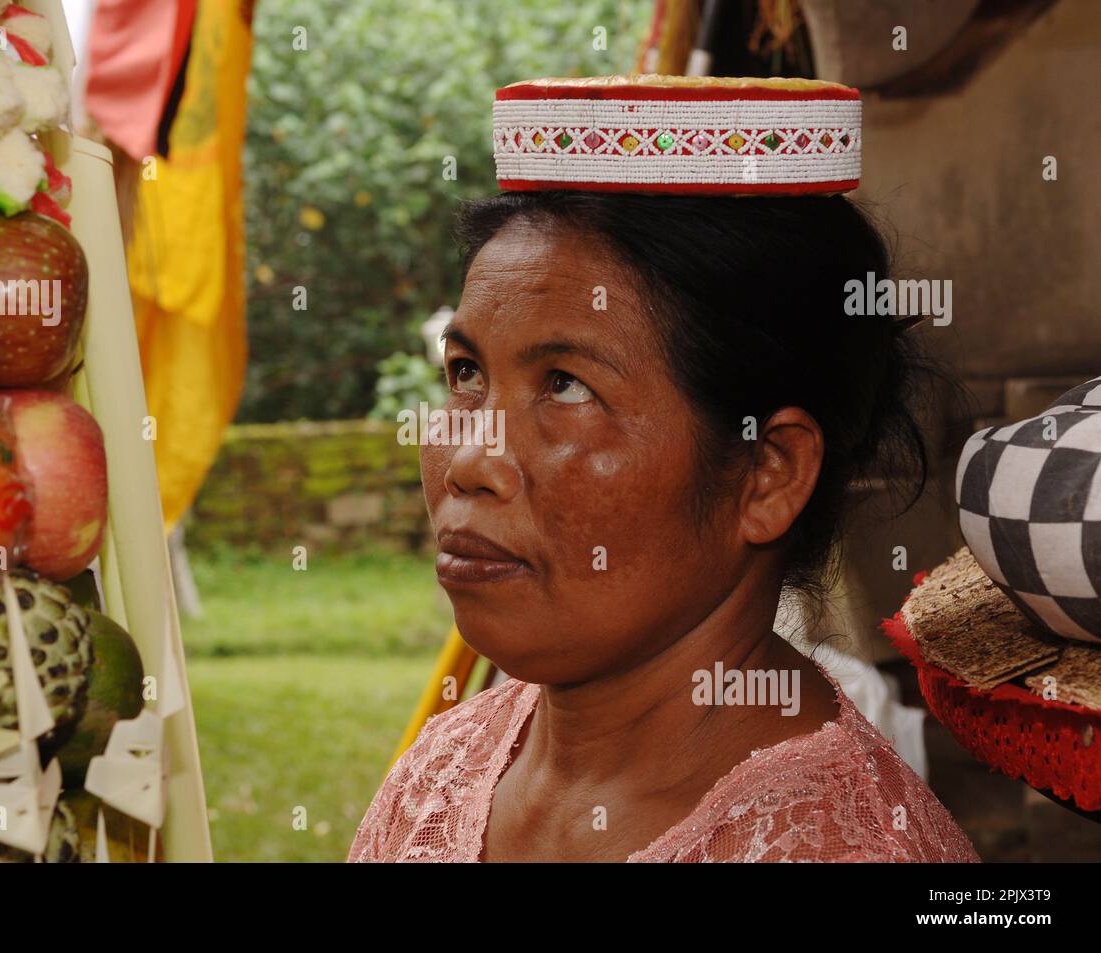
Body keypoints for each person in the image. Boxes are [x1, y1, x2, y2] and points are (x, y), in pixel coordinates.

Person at [348, 75, 979, 862]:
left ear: (768, 473)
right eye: (467, 373)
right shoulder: (442, 772)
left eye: (567, 386)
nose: (471, 461)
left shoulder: (837, 848)